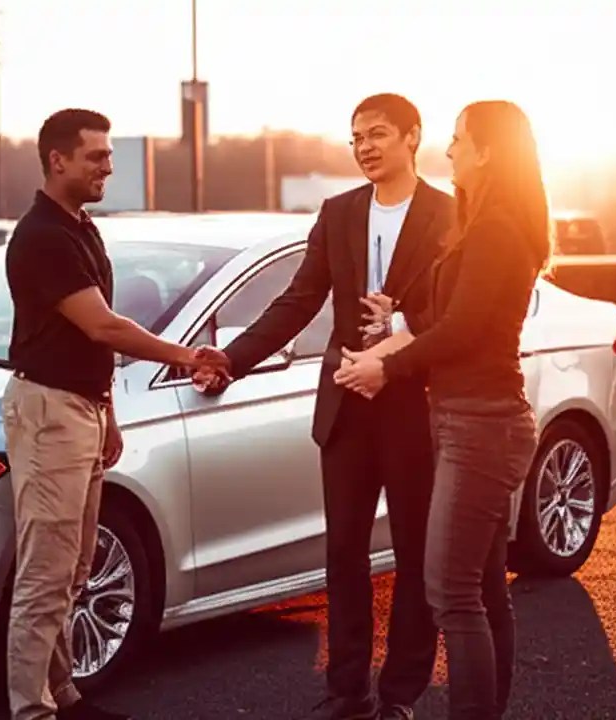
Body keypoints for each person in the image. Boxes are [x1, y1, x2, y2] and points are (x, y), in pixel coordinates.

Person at [193, 94, 453, 720]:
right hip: (346, 403)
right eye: (356, 137)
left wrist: (404, 332)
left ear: (413, 137)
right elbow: (297, 300)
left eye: (379, 134)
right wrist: (232, 357)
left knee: (416, 553)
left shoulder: (450, 214)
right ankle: (348, 691)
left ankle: (400, 694)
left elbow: (455, 312)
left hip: (413, 400)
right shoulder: (338, 213)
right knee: (344, 553)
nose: (365, 147)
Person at [3, 108, 228, 720]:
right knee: (45, 576)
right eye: (96, 156)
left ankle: (64, 694)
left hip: (82, 409)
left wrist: (107, 414)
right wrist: (186, 355)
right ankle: (32, 710)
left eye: (108, 155)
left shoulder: (80, 227)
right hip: (49, 413)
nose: (109, 166)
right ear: (58, 161)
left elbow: (90, 342)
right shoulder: (42, 237)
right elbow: (102, 323)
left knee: (75, 566)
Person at [334, 100, 552, 719]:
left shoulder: (497, 229)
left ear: (488, 152)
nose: (451, 151)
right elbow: (452, 318)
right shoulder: (481, 224)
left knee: (450, 594)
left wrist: (388, 364)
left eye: (459, 140)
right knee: (479, 590)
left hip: (482, 425)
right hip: (466, 417)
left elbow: (462, 332)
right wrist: (397, 322)